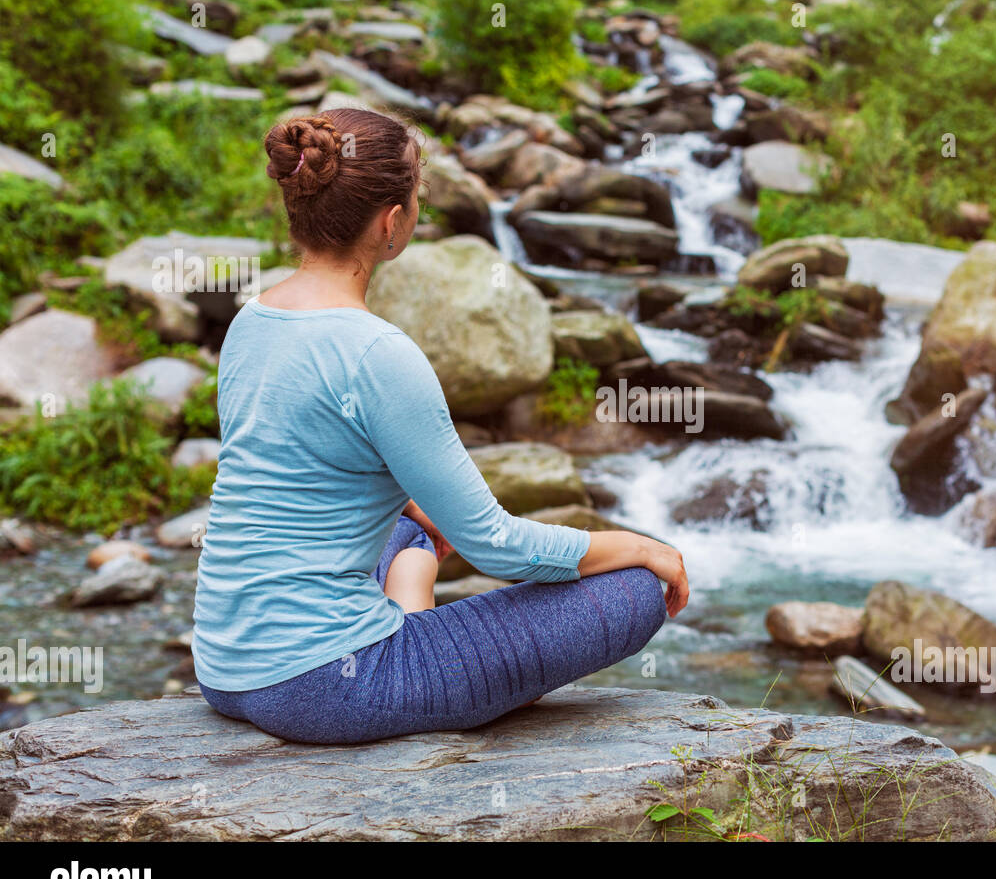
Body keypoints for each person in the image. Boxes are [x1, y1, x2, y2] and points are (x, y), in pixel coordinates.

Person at [192, 108, 687, 745]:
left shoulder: (250, 321)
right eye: (417, 195)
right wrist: (642, 546)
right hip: (330, 686)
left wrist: (417, 510)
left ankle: (405, 604)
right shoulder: (379, 352)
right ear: (393, 223)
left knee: (408, 532)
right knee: (636, 592)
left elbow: (302, 466)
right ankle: (408, 643)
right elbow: (495, 546)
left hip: (224, 666)